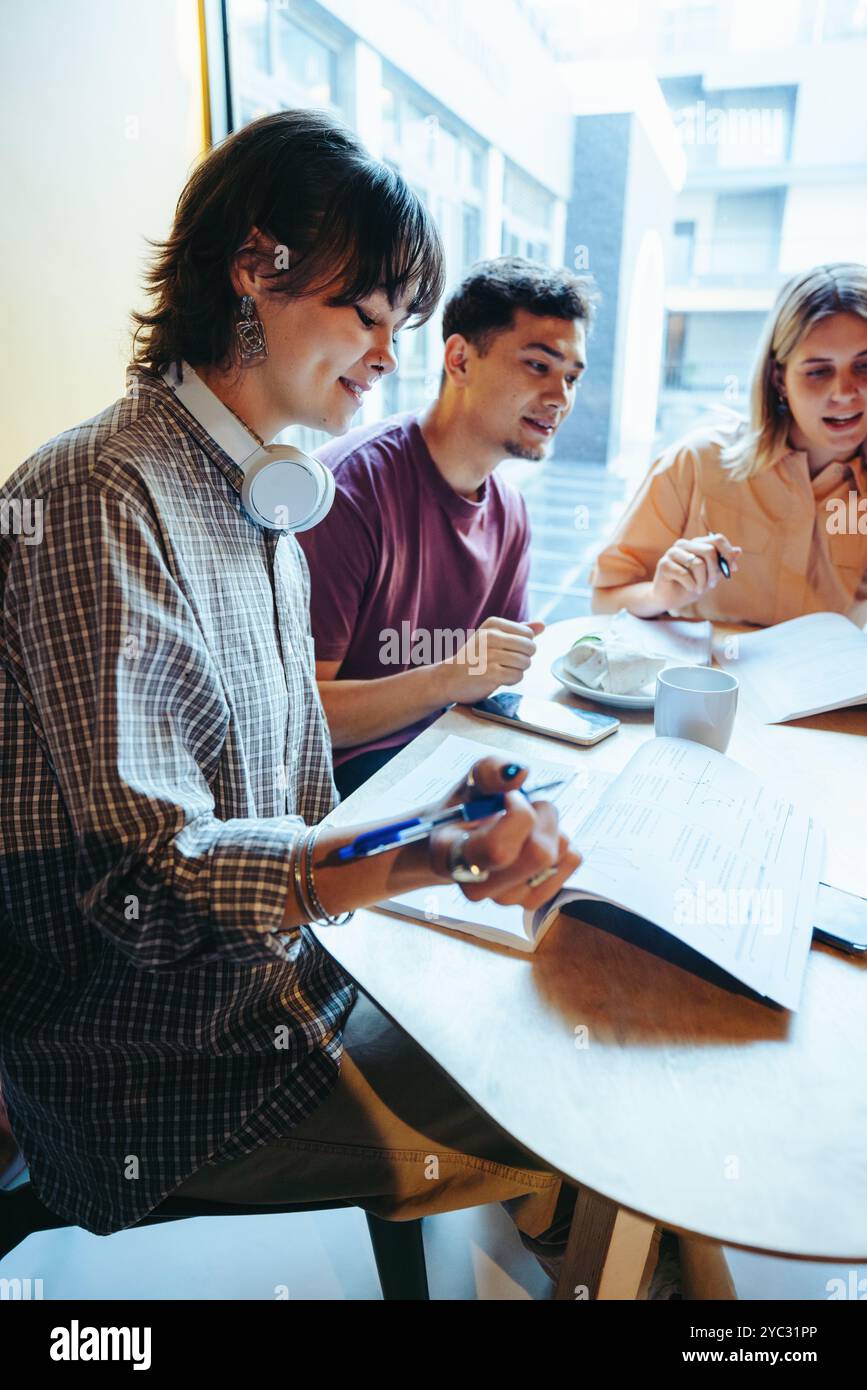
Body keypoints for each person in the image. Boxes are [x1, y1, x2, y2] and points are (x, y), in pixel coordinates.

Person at [0, 110, 583, 1283]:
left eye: (399, 323)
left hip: (284, 984)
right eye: (363, 313)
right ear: (253, 270)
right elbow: (151, 876)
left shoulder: (264, 493)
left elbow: (293, 778)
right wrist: (421, 854)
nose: (385, 352)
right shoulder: (99, 494)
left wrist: (418, 837)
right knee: (571, 1119)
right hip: (161, 1069)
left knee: (551, 1007)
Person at [298, 257, 596, 797]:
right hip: (345, 786)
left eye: (572, 377)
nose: (561, 397)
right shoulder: (348, 491)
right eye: (538, 366)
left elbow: (488, 680)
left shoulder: (510, 512)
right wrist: (448, 678)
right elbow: (299, 716)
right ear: (459, 359)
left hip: (455, 754)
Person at [591, 263, 867, 625]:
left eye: (864, 366)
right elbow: (604, 600)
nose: (844, 393)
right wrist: (659, 595)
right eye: (818, 371)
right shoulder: (696, 463)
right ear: (778, 378)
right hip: (707, 678)